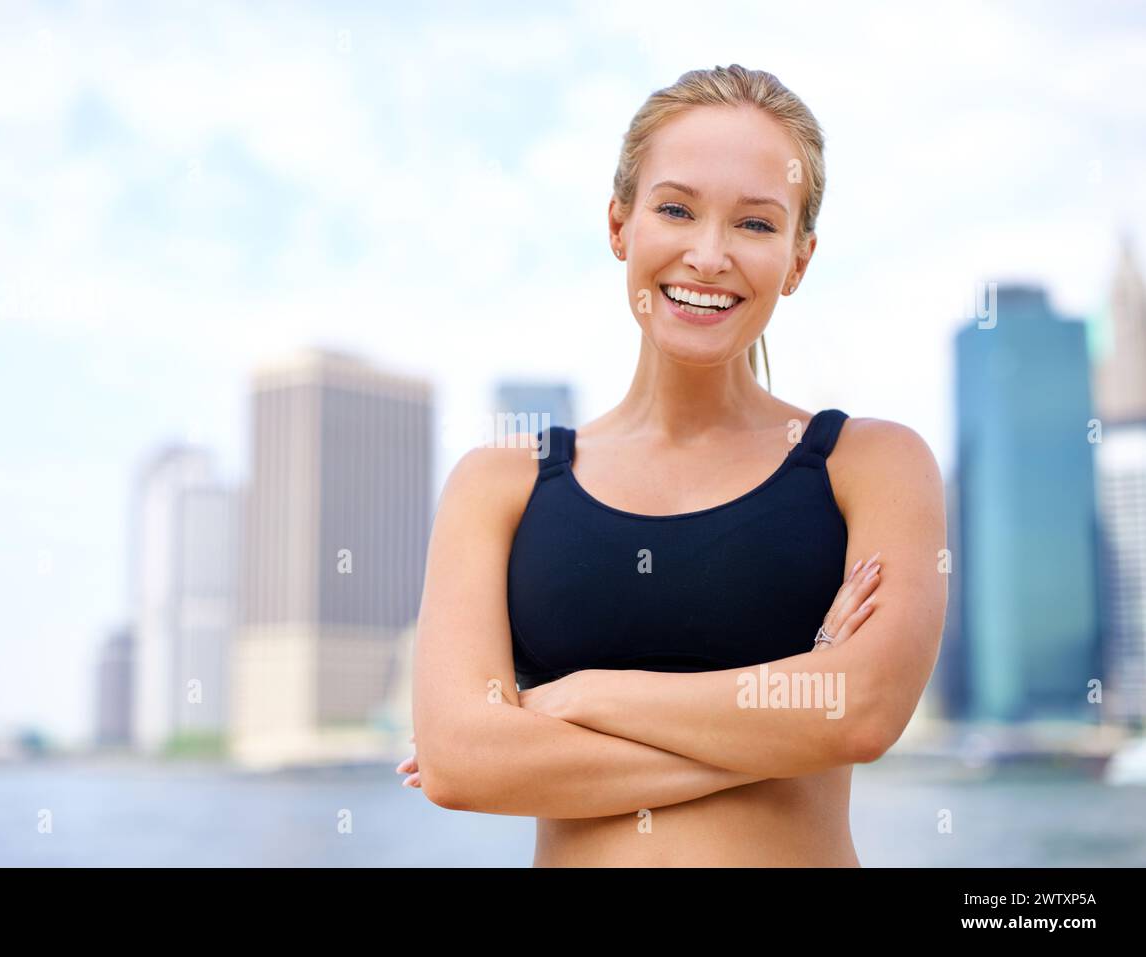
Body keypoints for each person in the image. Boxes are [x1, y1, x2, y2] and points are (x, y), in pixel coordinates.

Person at [402, 65, 947, 866]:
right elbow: (459, 761)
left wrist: (586, 697)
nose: (709, 253)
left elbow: (860, 711)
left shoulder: (872, 463)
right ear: (620, 224)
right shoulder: (501, 483)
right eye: (675, 209)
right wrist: (787, 724)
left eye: (756, 225)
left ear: (799, 258)